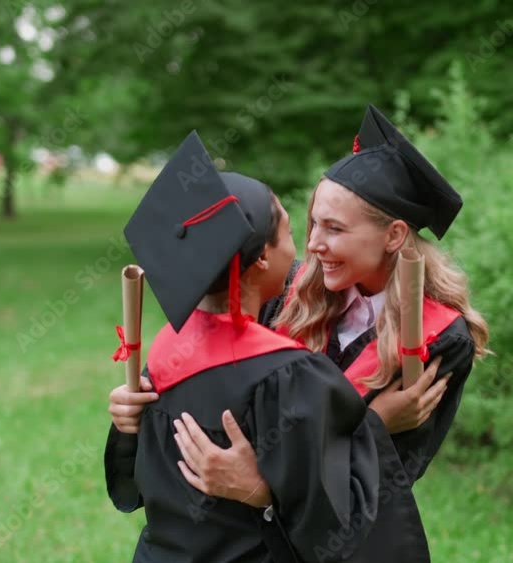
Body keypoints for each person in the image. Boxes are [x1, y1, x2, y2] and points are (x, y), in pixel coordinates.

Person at [104, 131, 431, 562]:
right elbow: (335, 524)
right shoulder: (289, 376)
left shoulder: (165, 355)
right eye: (293, 231)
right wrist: (374, 423)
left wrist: (127, 429)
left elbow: (134, 487)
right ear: (261, 259)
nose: (309, 248)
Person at [166, 105, 490, 508]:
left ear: (393, 235)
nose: (315, 244)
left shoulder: (436, 338)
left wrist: (263, 489)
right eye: (314, 223)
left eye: (334, 229)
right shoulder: (289, 290)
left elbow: (389, 475)